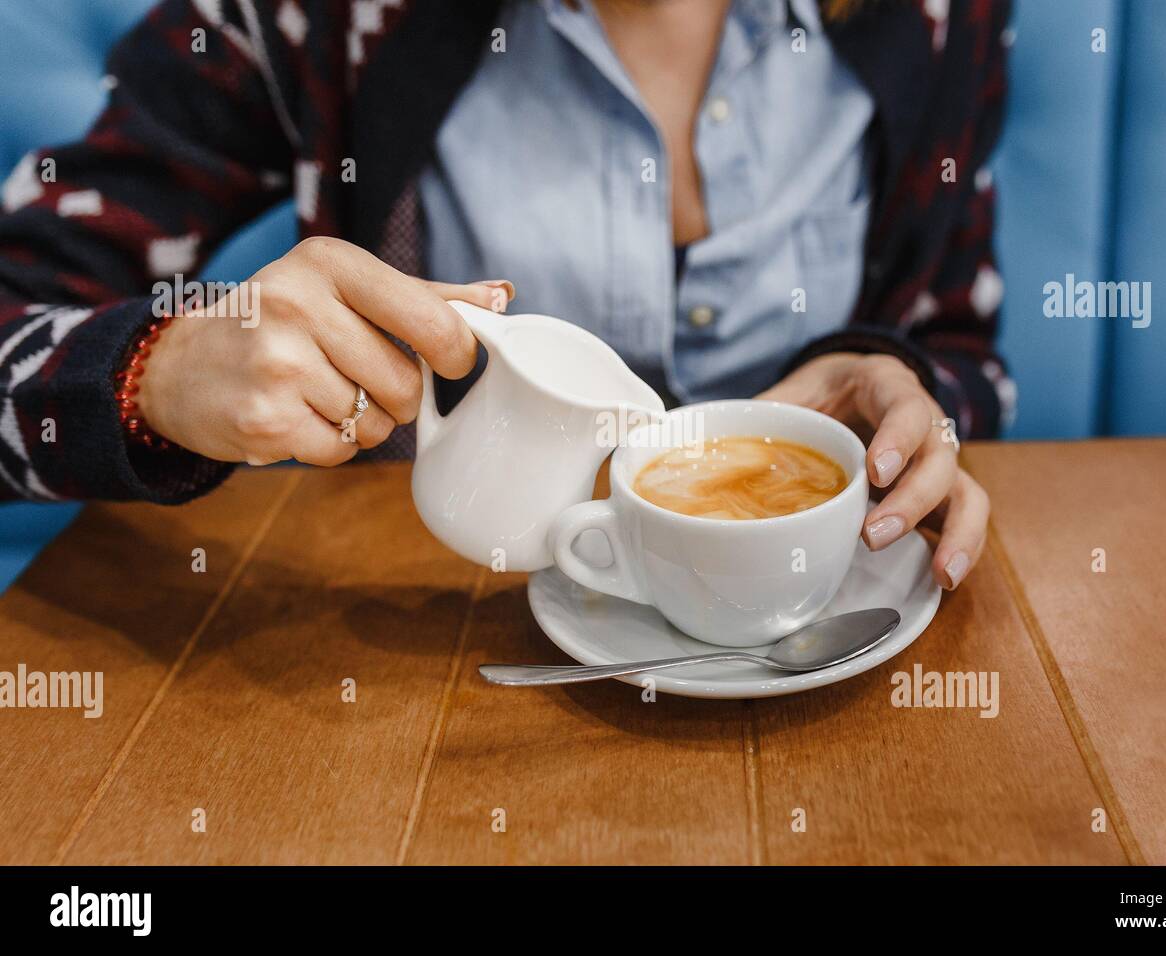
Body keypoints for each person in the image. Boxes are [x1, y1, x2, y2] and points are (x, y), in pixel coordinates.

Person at [0, 0, 1014, 590]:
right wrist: (156, 374)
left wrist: (908, 399)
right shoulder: (320, 20)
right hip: (416, 635)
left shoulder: (938, 23)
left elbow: (963, 357)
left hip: (803, 641)